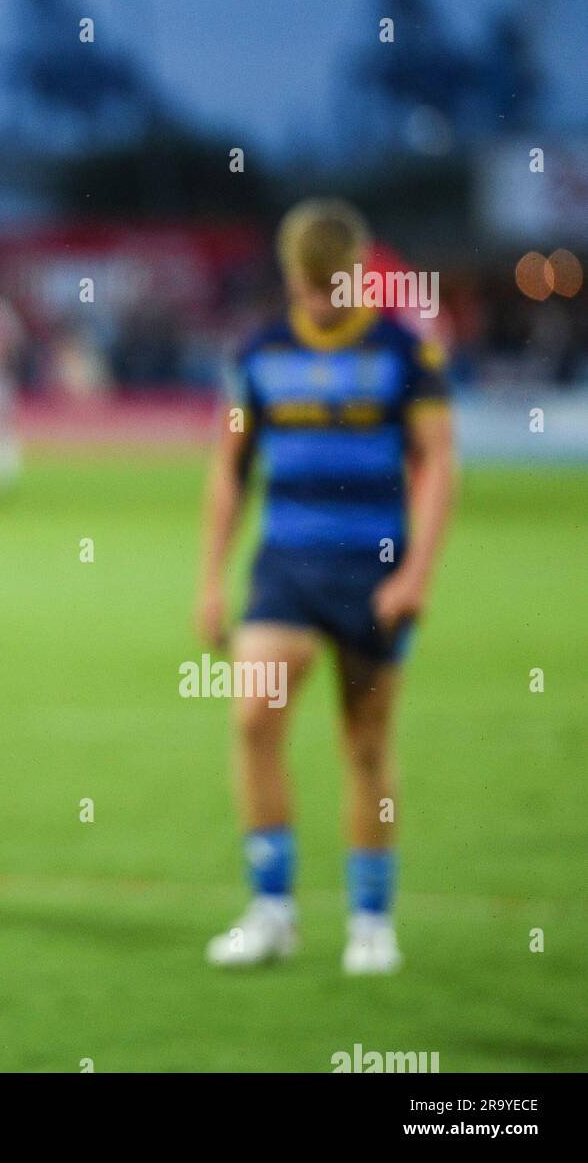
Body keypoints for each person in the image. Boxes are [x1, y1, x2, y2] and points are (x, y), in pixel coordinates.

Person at [195, 199, 455, 974]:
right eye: (304, 285)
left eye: (328, 283)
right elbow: (229, 468)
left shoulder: (405, 354)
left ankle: (371, 923)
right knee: (252, 719)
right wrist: (211, 576)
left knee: (366, 743)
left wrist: (416, 573)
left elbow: (438, 462)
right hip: (284, 569)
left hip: (373, 571)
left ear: (355, 273)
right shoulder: (261, 352)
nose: (315, 298)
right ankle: (272, 909)